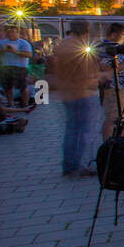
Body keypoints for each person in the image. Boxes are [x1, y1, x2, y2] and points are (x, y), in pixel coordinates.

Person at [51, 20, 101, 176]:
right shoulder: (81, 48)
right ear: (87, 29)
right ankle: (80, 165)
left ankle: (69, 164)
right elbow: (88, 75)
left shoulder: (63, 45)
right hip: (84, 93)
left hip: (67, 93)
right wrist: (103, 76)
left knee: (71, 130)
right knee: (85, 131)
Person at [0, 23, 34, 107]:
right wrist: (2, 50)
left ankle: (25, 104)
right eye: (9, 32)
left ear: (17, 33)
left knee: (22, 86)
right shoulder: (2, 42)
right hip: (6, 66)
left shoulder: (23, 43)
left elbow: (29, 55)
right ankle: (10, 103)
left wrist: (15, 52)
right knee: (7, 87)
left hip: (20, 67)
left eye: (13, 32)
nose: (11, 34)